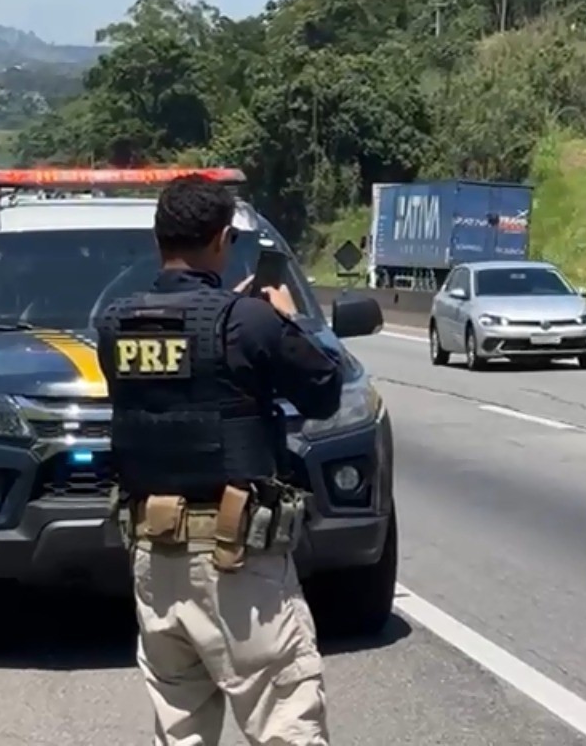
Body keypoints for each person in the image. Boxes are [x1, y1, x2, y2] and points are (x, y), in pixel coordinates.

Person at [94, 174, 343, 745]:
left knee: (179, 732)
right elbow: (324, 391)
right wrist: (285, 320)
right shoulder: (249, 322)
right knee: (286, 725)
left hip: (155, 561)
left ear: (160, 239)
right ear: (223, 239)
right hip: (236, 563)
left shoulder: (113, 324)